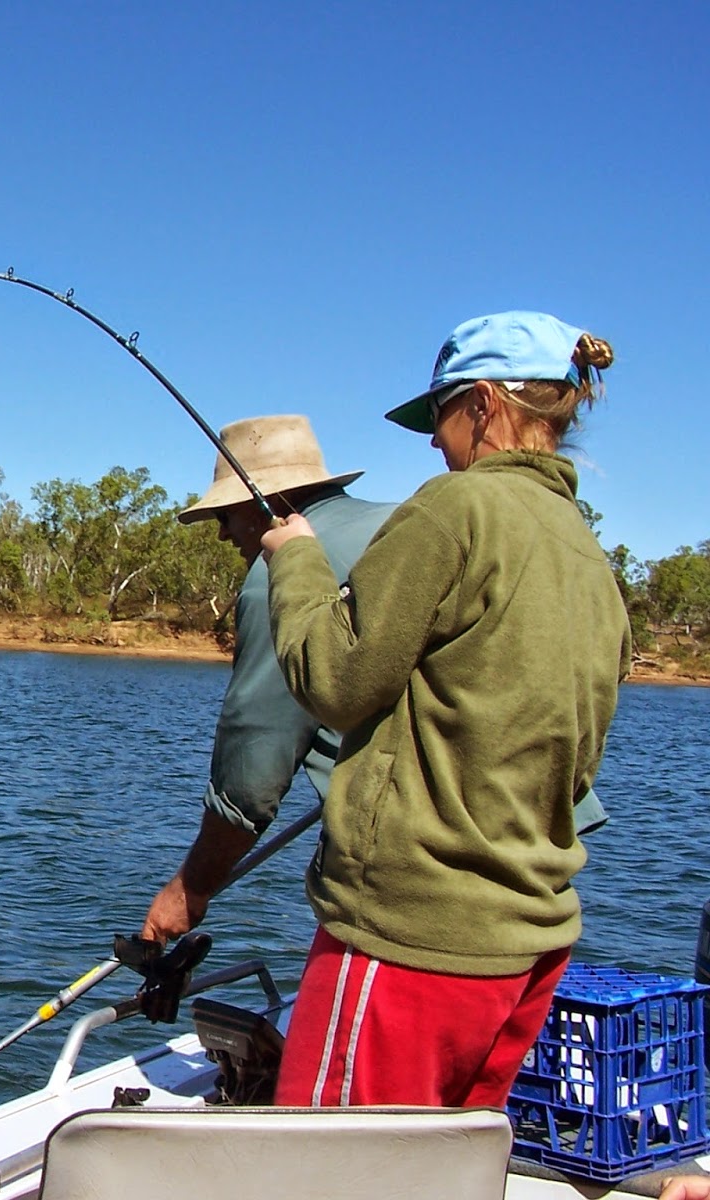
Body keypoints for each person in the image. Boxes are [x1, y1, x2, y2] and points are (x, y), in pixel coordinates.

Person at [259, 311, 630, 1109]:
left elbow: (335, 679)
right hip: (529, 946)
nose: (434, 441)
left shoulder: (453, 510)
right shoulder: (583, 549)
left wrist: (295, 562)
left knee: (322, 1177)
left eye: (440, 415)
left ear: (486, 406)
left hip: (412, 942)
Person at [141, 415, 395, 944]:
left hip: (405, 896)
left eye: (227, 514)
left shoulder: (269, 583)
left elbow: (252, 771)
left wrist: (189, 890)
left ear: (266, 505)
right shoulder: (403, 523)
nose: (222, 532)